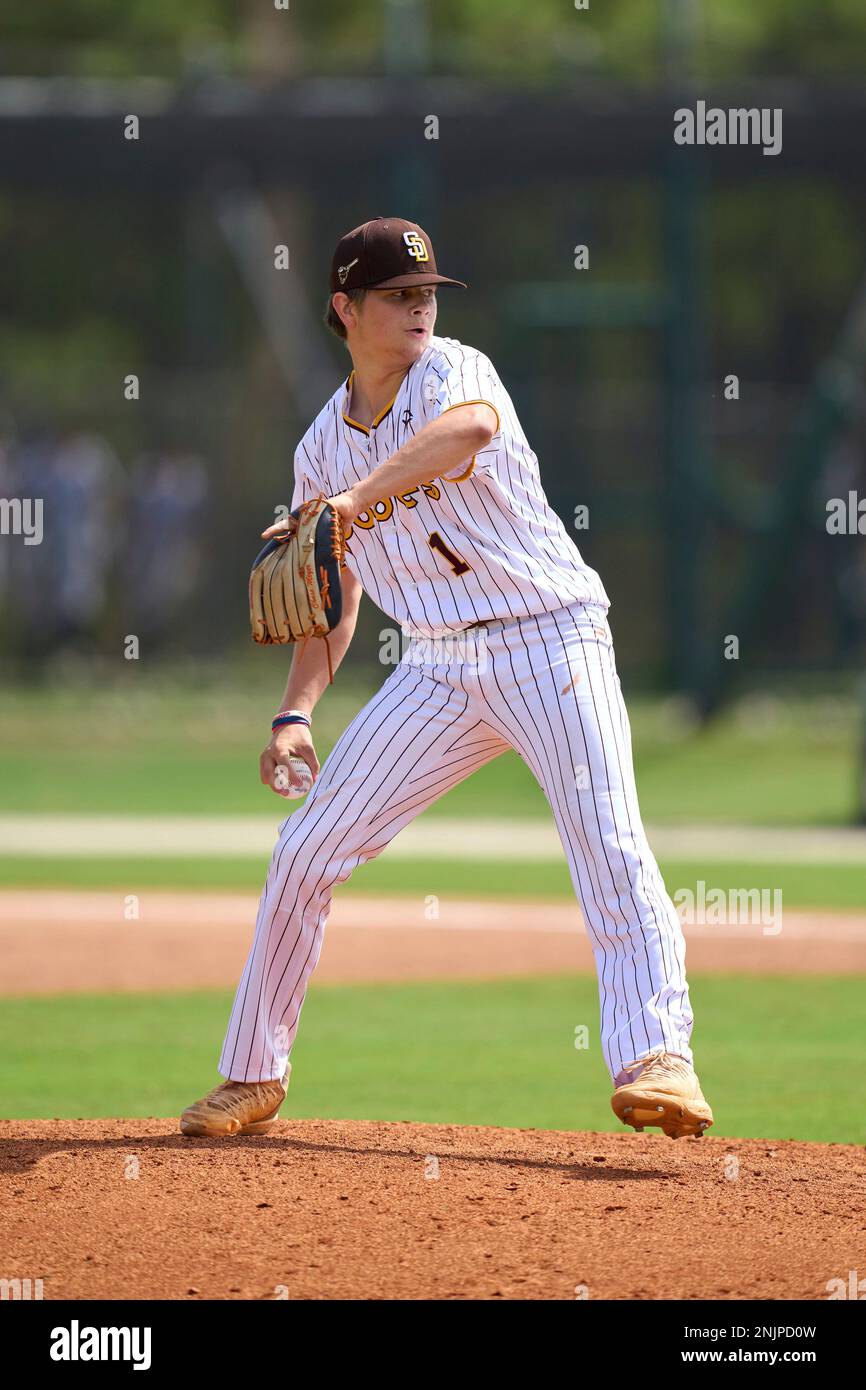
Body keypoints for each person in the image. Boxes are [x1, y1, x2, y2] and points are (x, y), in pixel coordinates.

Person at [180, 217, 713, 1142]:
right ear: (344, 309)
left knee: (609, 843)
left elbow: (467, 433)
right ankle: (253, 1073)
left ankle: (657, 1057)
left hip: (551, 637)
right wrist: (293, 715)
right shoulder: (320, 449)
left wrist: (347, 506)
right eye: (396, 295)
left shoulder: (453, 373)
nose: (419, 307)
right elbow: (331, 594)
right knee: (304, 851)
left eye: (427, 293)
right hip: (435, 664)